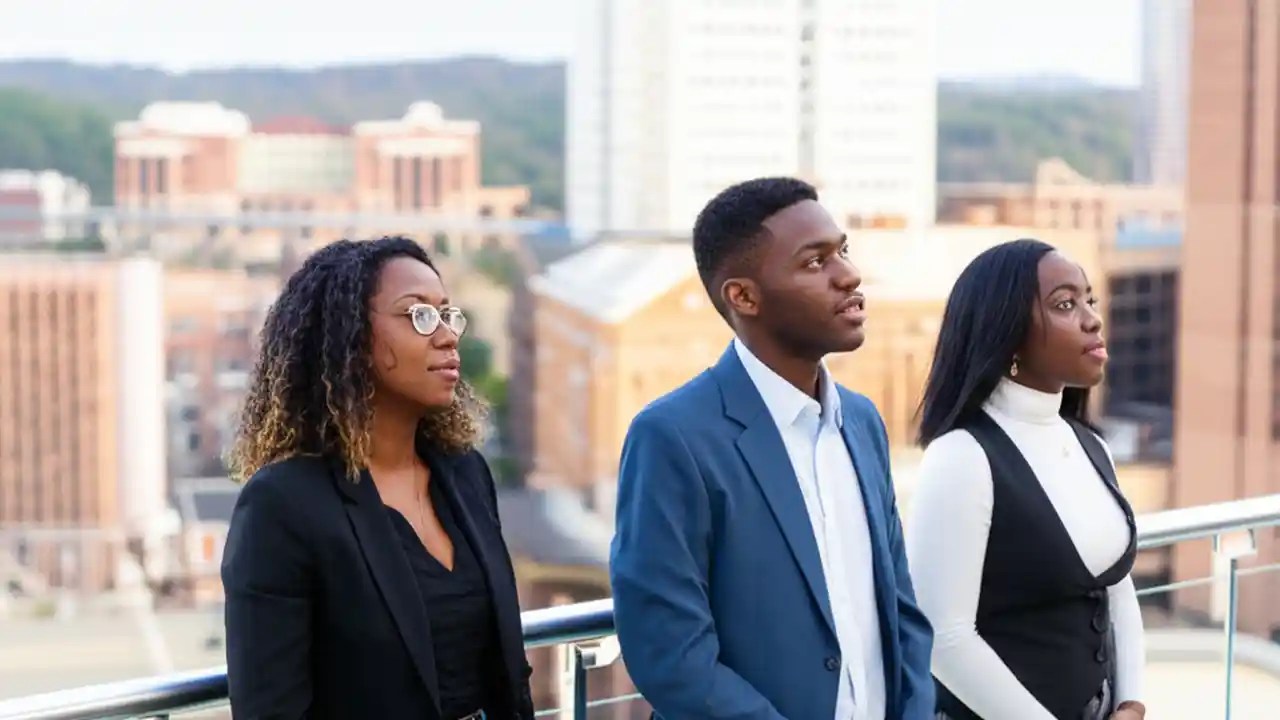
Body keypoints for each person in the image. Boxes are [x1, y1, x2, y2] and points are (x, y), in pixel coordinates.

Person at [609, 177, 935, 719]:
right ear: (743, 296)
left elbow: (902, 613)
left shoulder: (861, 421)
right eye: (815, 262)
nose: (849, 276)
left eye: (843, 252)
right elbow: (670, 654)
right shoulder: (672, 437)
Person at [222, 236, 534, 720]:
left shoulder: (465, 473)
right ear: (349, 337)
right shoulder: (282, 506)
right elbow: (271, 708)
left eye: (448, 315)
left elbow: (504, 676)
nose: (448, 336)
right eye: (418, 316)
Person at [906, 239, 1146, 720]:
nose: (1091, 319)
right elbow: (945, 639)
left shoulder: (1090, 445)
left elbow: (1117, 589)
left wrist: (1131, 703)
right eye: (1064, 304)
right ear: (1008, 334)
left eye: (1089, 300)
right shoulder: (961, 458)